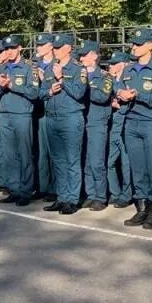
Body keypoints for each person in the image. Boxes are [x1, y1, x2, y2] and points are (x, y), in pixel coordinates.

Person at [118, 28, 152, 229]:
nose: (134, 47)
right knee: (138, 167)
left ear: (151, 45)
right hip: (132, 122)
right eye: (133, 44)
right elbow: (119, 88)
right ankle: (141, 206)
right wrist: (121, 96)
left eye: (139, 44)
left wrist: (138, 96)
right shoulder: (128, 69)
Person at [38, 33, 87, 214]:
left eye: (58, 48)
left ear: (68, 48)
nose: (55, 51)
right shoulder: (51, 68)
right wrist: (49, 91)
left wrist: (62, 79)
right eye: (54, 47)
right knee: (58, 160)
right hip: (52, 117)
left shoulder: (77, 69)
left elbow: (80, 92)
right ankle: (62, 196)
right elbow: (40, 93)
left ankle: (72, 200)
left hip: (71, 118)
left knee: (72, 160)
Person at [0, 36, 37, 206]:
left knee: (24, 154)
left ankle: (25, 191)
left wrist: (12, 86)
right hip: (5, 113)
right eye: (6, 49)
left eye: (12, 48)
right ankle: (14, 189)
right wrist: (0, 86)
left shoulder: (28, 68)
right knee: (9, 155)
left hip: (22, 114)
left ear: (19, 48)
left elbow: (34, 93)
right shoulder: (1, 68)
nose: (9, 51)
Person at [79, 41, 113, 211]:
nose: (81, 58)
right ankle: (90, 194)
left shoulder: (105, 76)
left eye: (85, 54)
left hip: (97, 121)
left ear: (94, 56)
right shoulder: (80, 73)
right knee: (85, 160)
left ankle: (100, 196)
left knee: (97, 161)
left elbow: (102, 97)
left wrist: (84, 88)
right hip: (81, 120)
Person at [105, 52, 132, 206]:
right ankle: (115, 192)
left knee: (126, 163)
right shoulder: (110, 80)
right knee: (110, 162)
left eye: (114, 64)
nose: (111, 66)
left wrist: (118, 104)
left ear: (122, 64)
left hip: (124, 123)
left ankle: (126, 195)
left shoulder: (127, 80)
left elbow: (128, 99)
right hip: (114, 124)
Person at [32, 34, 57, 201]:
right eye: (38, 45)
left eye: (42, 45)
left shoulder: (57, 65)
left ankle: (55, 189)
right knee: (42, 153)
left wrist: (44, 83)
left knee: (55, 152)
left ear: (50, 46)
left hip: (54, 112)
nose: (38, 47)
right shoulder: (36, 66)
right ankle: (43, 186)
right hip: (40, 112)